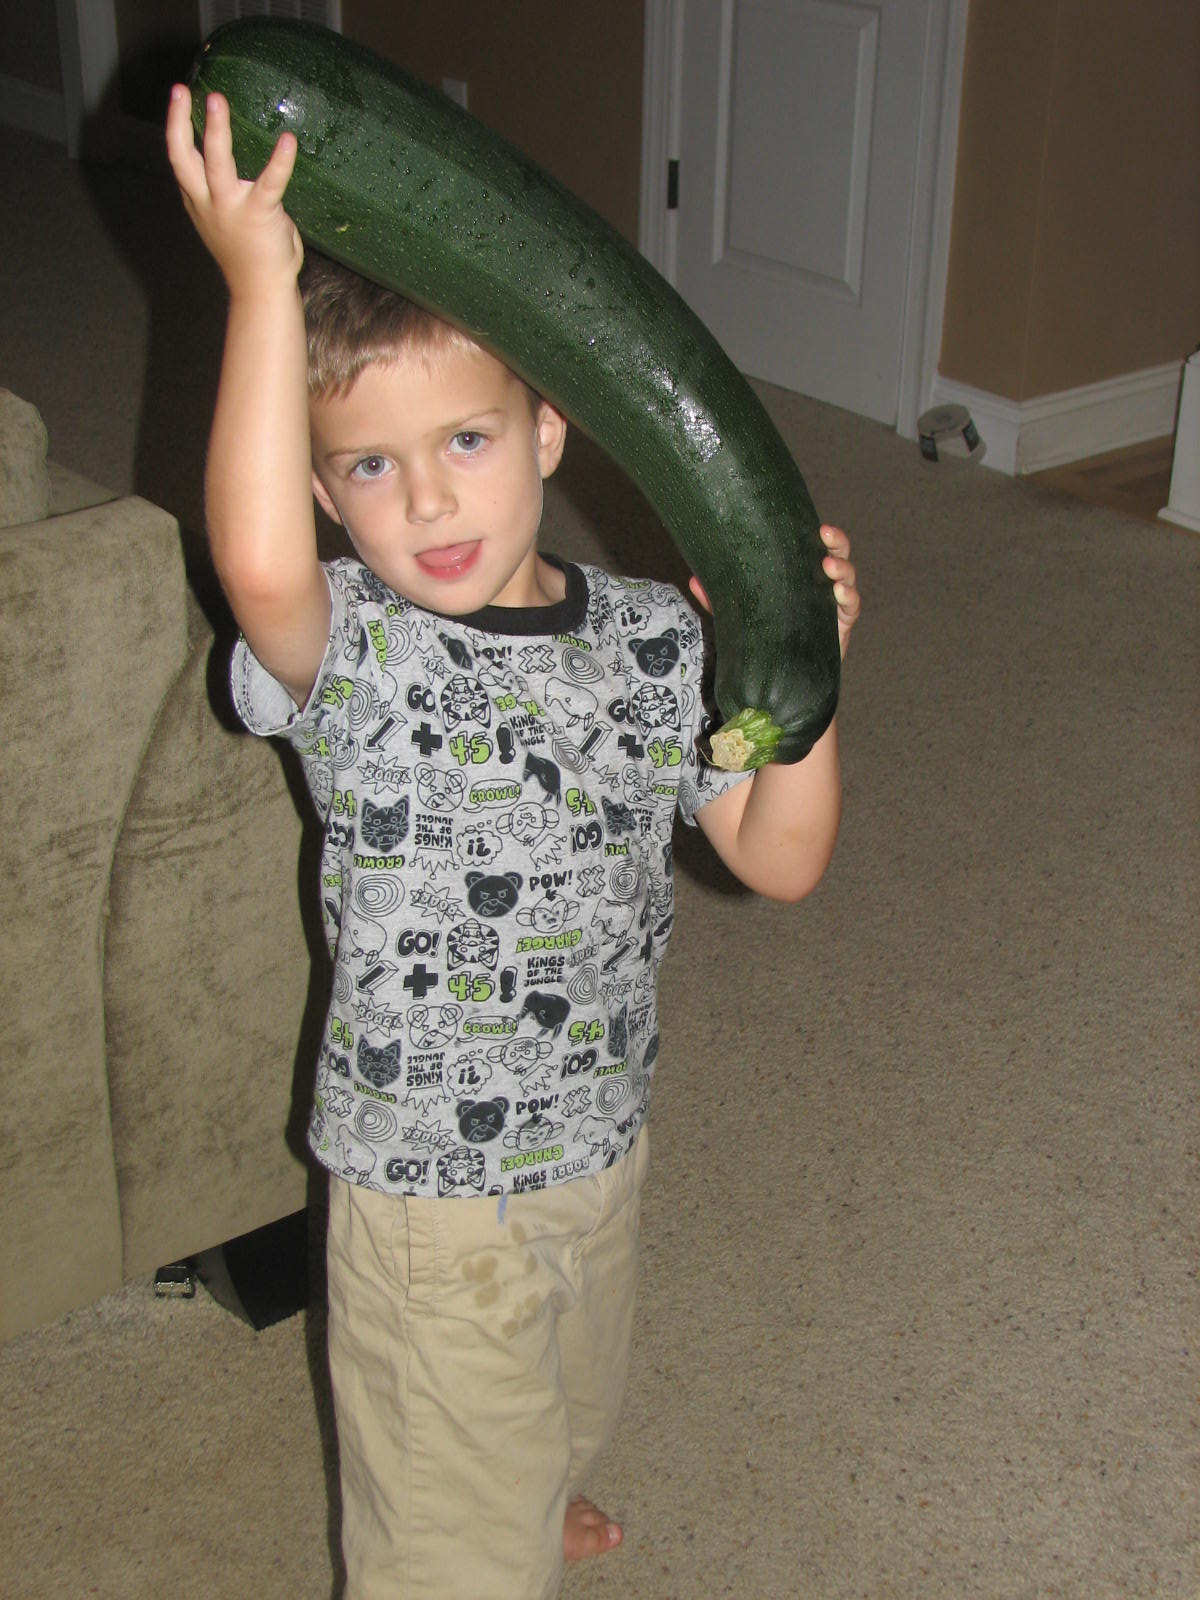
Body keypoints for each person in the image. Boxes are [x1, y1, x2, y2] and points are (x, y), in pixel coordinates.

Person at [166, 84, 860, 1600]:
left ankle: (524, 1498)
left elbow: (779, 856)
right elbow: (251, 557)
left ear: (553, 421)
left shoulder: (649, 641)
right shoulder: (352, 650)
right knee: (447, 1514)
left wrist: (803, 685)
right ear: (320, 494)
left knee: (569, 1383)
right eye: (366, 465)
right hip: (428, 1186)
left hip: (596, 1131)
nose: (426, 498)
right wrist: (258, 290)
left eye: (467, 437)